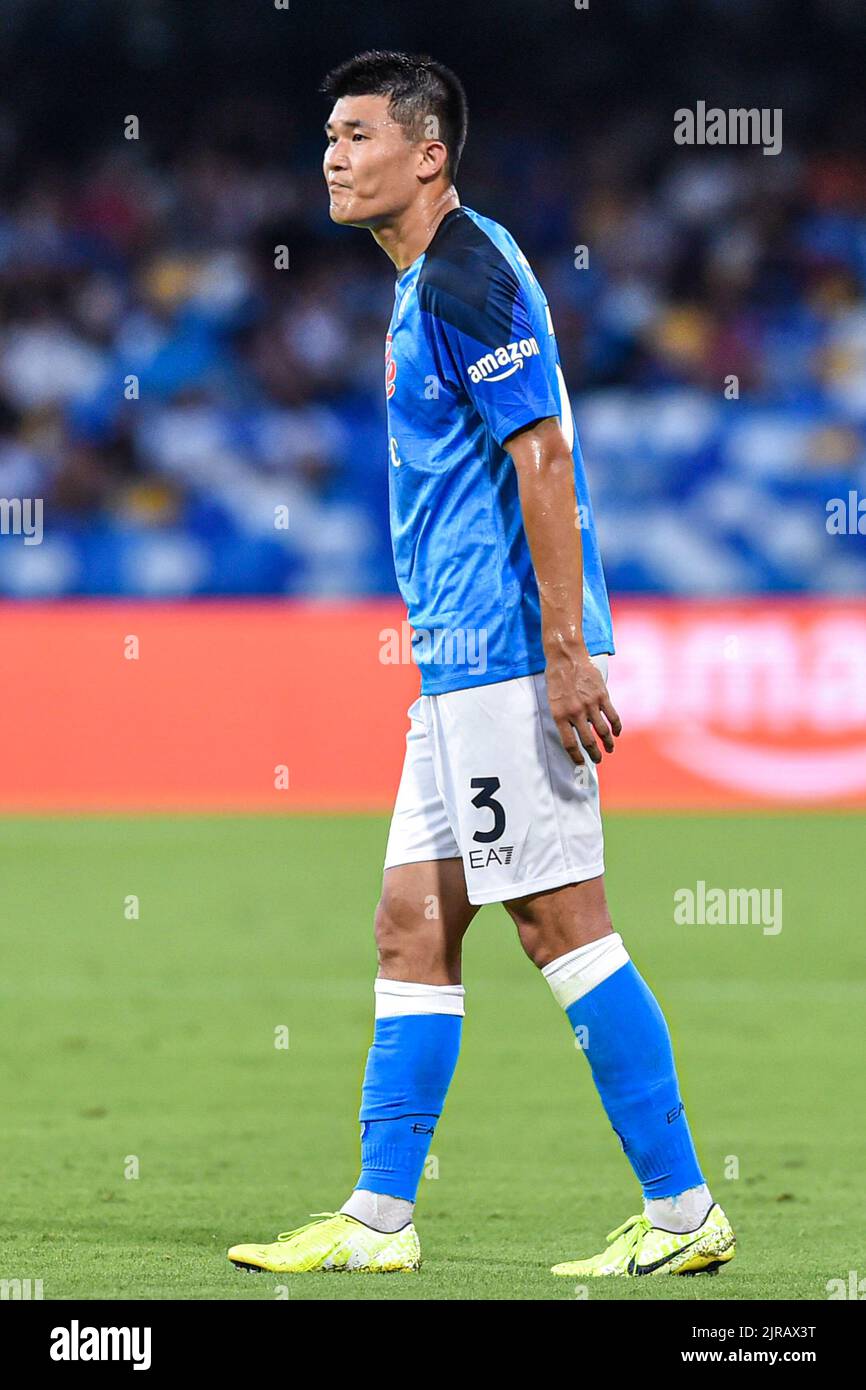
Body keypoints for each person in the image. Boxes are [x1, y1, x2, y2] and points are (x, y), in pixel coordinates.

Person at [228, 49, 735, 1279]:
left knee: (562, 925)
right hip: (456, 668)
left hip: (511, 658)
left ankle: (682, 1216)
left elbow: (544, 457)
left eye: (357, 135)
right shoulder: (419, 285)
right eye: (329, 137)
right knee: (410, 923)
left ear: (428, 150)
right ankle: (379, 1219)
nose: (334, 157)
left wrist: (564, 653)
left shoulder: (463, 272)